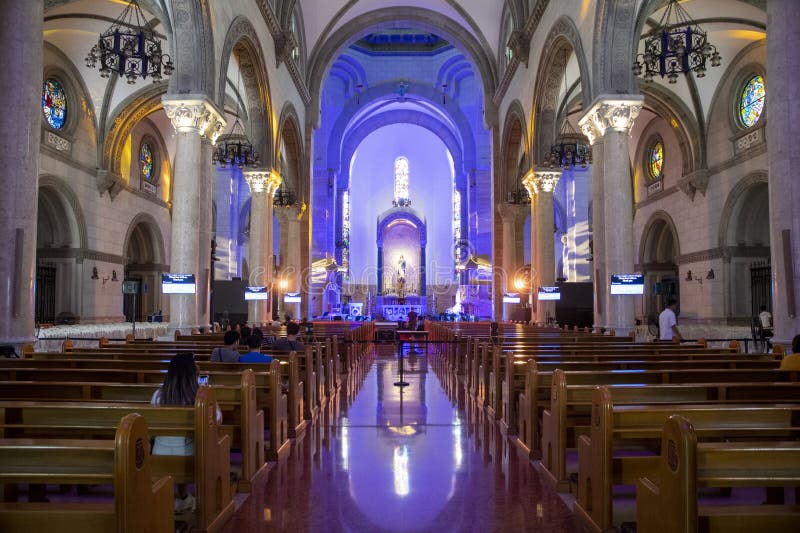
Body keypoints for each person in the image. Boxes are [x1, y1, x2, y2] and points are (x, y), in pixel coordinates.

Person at [151, 353, 220, 513]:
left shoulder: (158, 395)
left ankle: (174, 498)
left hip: (159, 453)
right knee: (211, 441)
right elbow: (217, 419)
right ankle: (188, 498)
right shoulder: (201, 396)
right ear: (193, 373)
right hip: (191, 456)